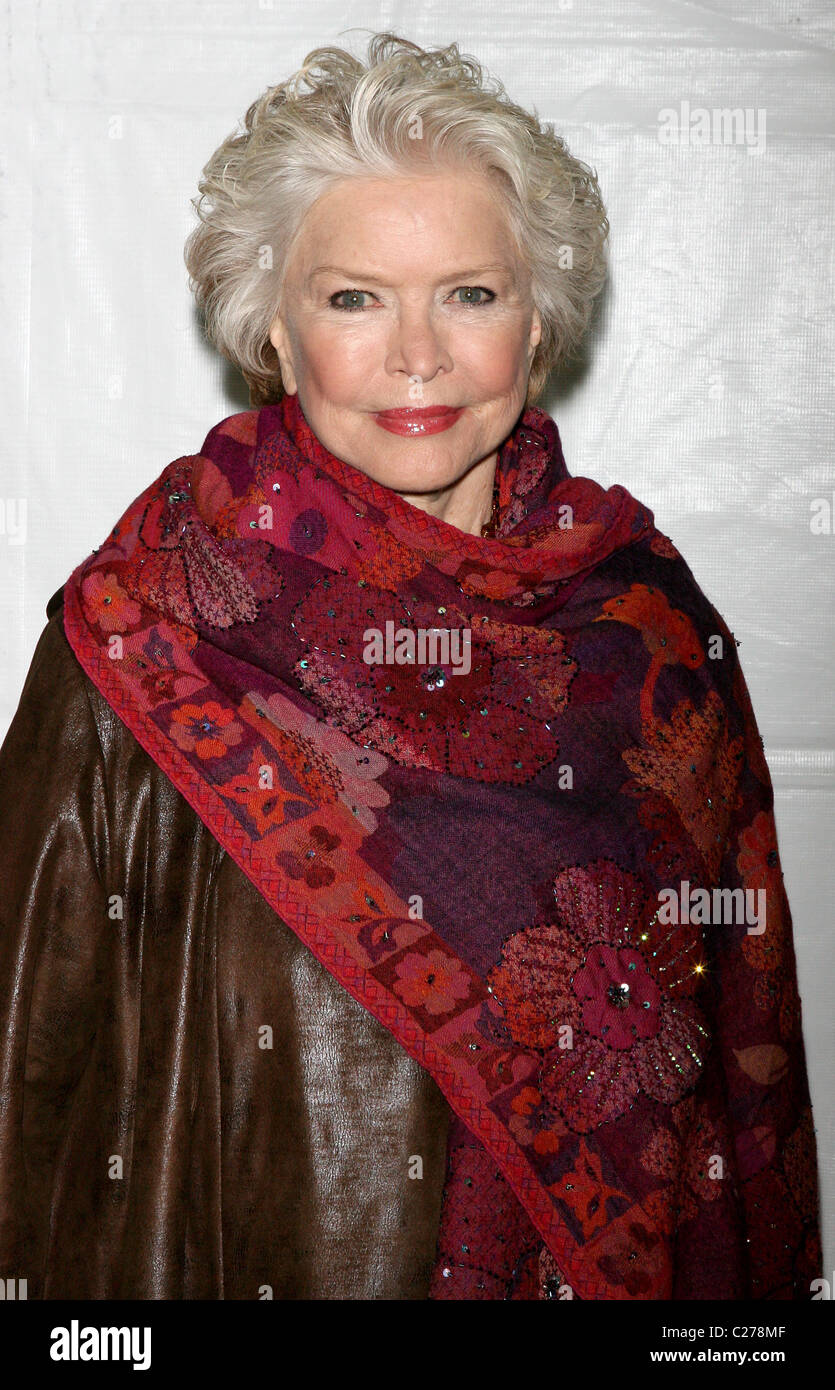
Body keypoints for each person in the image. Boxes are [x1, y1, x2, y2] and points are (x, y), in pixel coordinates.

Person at [0, 31, 821, 1300]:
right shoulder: (145, 626)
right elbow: (23, 1076)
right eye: (353, 298)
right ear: (271, 329)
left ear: (537, 322)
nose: (419, 354)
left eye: (470, 294)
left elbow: (735, 1065)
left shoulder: (650, 636)